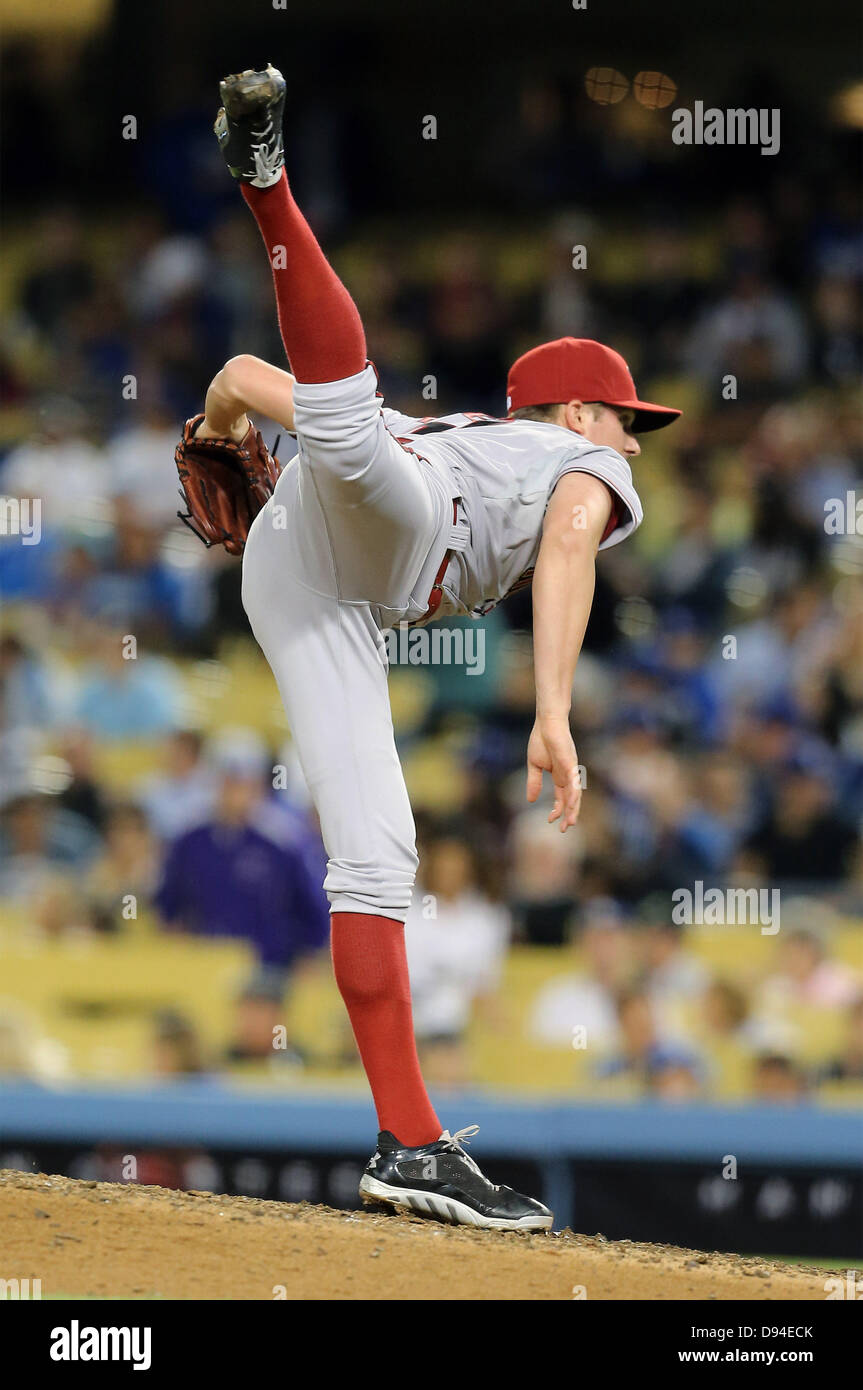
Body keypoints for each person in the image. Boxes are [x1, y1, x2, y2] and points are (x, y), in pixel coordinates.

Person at [192, 65, 681, 1230]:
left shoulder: (449, 430)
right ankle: (268, 185)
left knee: (376, 855)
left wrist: (216, 421)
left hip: (310, 570)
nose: (630, 441)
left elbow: (243, 378)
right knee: (360, 438)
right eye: (622, 417)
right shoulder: (577, 465)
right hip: (386, 518)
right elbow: (567, 546)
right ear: (574, 415)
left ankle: (408, 1143)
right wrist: (553, 707)